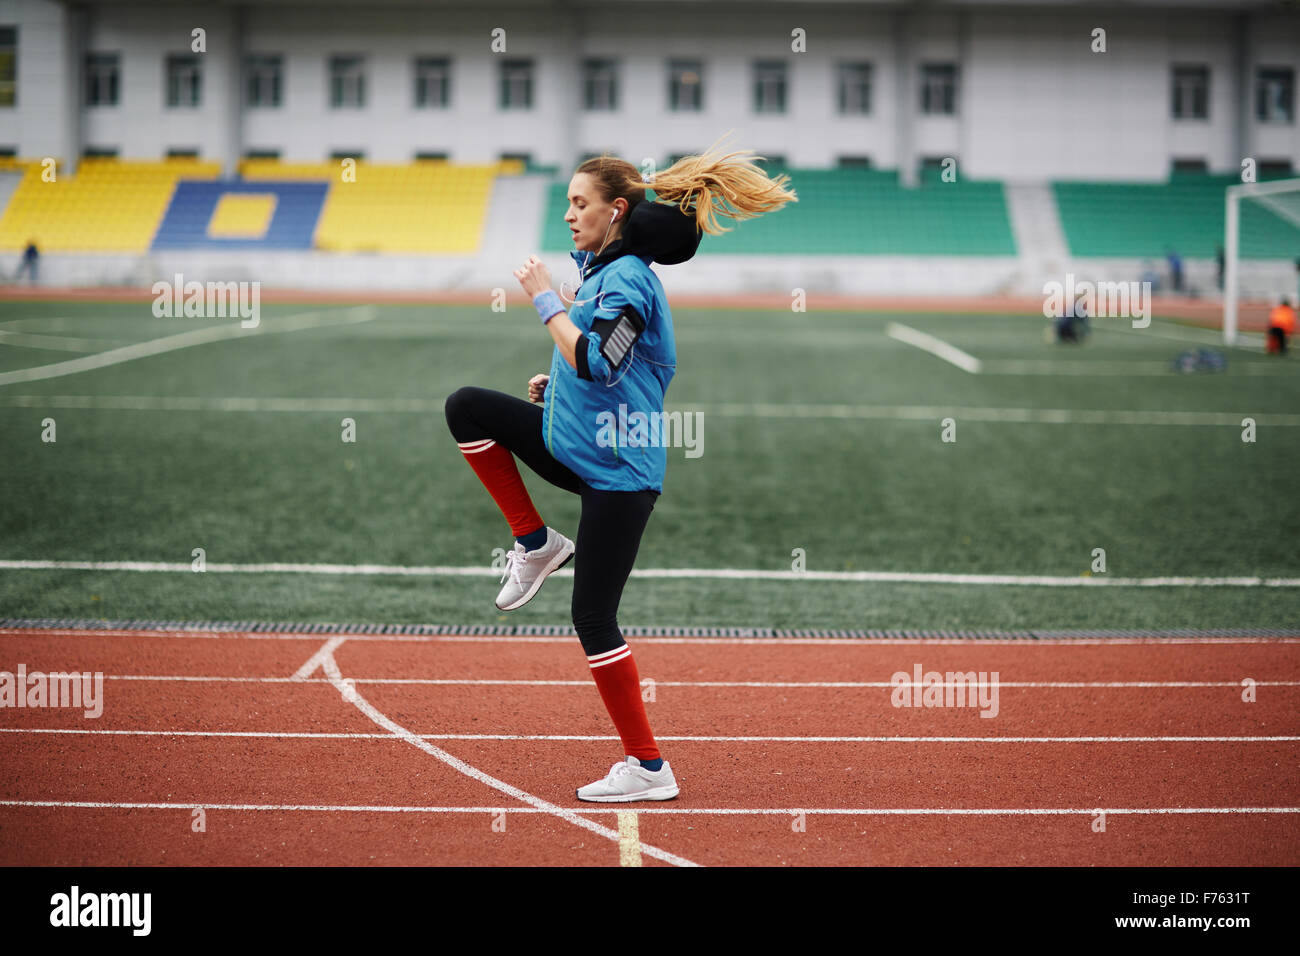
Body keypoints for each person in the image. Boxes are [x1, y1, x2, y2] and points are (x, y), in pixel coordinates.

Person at [444, 135, 796, 801]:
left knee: (594, 617)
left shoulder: (629, 279)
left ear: (617, 212)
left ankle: (648, 768)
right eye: (568, 203)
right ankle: (535, 542)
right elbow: (595, 370)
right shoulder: (605, 273)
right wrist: (558, 389)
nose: (570, 214)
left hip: (619, 473)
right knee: (468, 408)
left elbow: (602, 361)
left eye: (582, 203)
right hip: (582, 446)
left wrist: (546, 300)